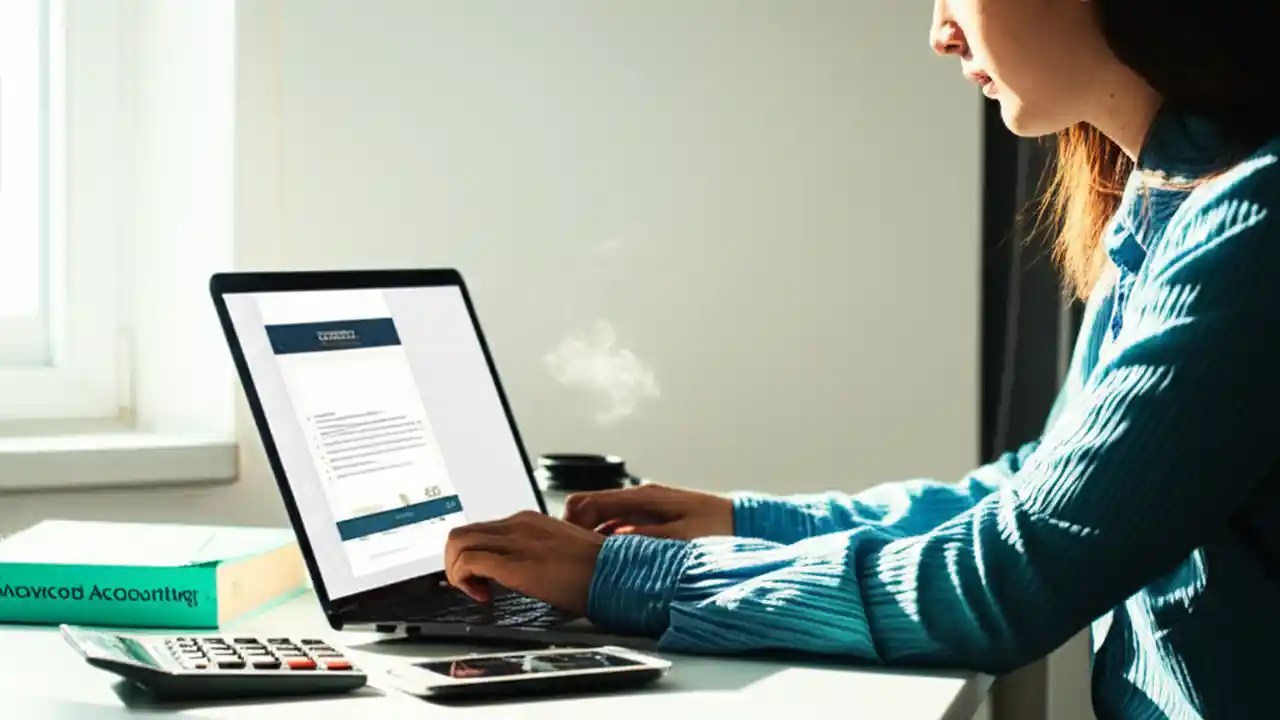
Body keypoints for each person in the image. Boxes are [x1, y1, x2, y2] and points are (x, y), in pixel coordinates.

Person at [443, 1, 1280, 717]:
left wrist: (627, 577)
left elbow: (1016, 571)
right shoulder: (1171, 201)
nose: (940, 33)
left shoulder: (1253, 221)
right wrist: (744, 522)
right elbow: (1036, 486)